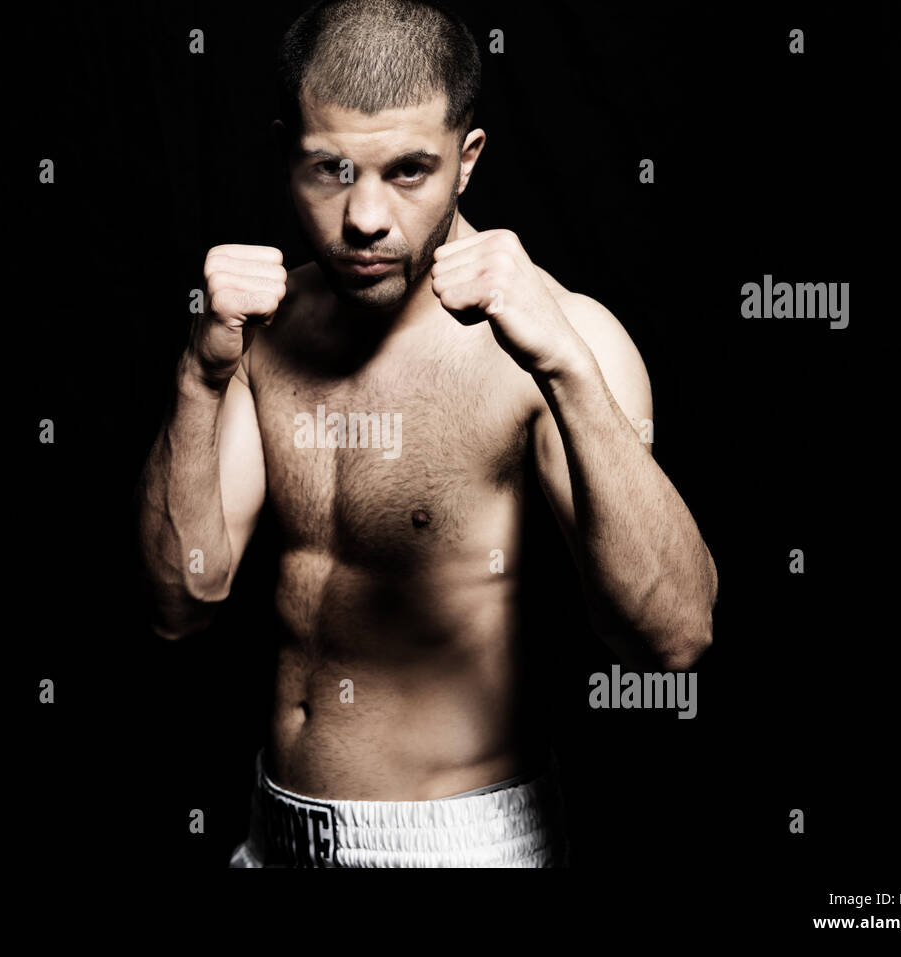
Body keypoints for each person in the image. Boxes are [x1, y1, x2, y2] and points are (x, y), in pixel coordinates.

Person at [137, 0, 717, 867]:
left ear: (466, 160)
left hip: (462, 843)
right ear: (284, 154)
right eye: (331, 170)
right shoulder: (260, 331)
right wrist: (198, 373)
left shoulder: (564, 338)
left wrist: (563, 368)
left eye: (408, 171)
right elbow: (181, 604)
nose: (366, 218)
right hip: (272, 829)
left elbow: (674, 635)